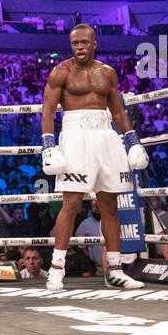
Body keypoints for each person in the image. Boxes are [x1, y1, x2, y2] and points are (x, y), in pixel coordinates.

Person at [40, 23, 146, 291]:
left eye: (84, 42)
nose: (79, 48)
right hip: (75, 137)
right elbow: (48, 110)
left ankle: (115, 270)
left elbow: (118, 111)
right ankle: (56, 269)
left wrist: (132, 141)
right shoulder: (61, 72)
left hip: (105, 136)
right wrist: (48, 145)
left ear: (94, 43)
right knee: (71, 203)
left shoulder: (107, 73)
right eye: (75, 43)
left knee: (110, 204)